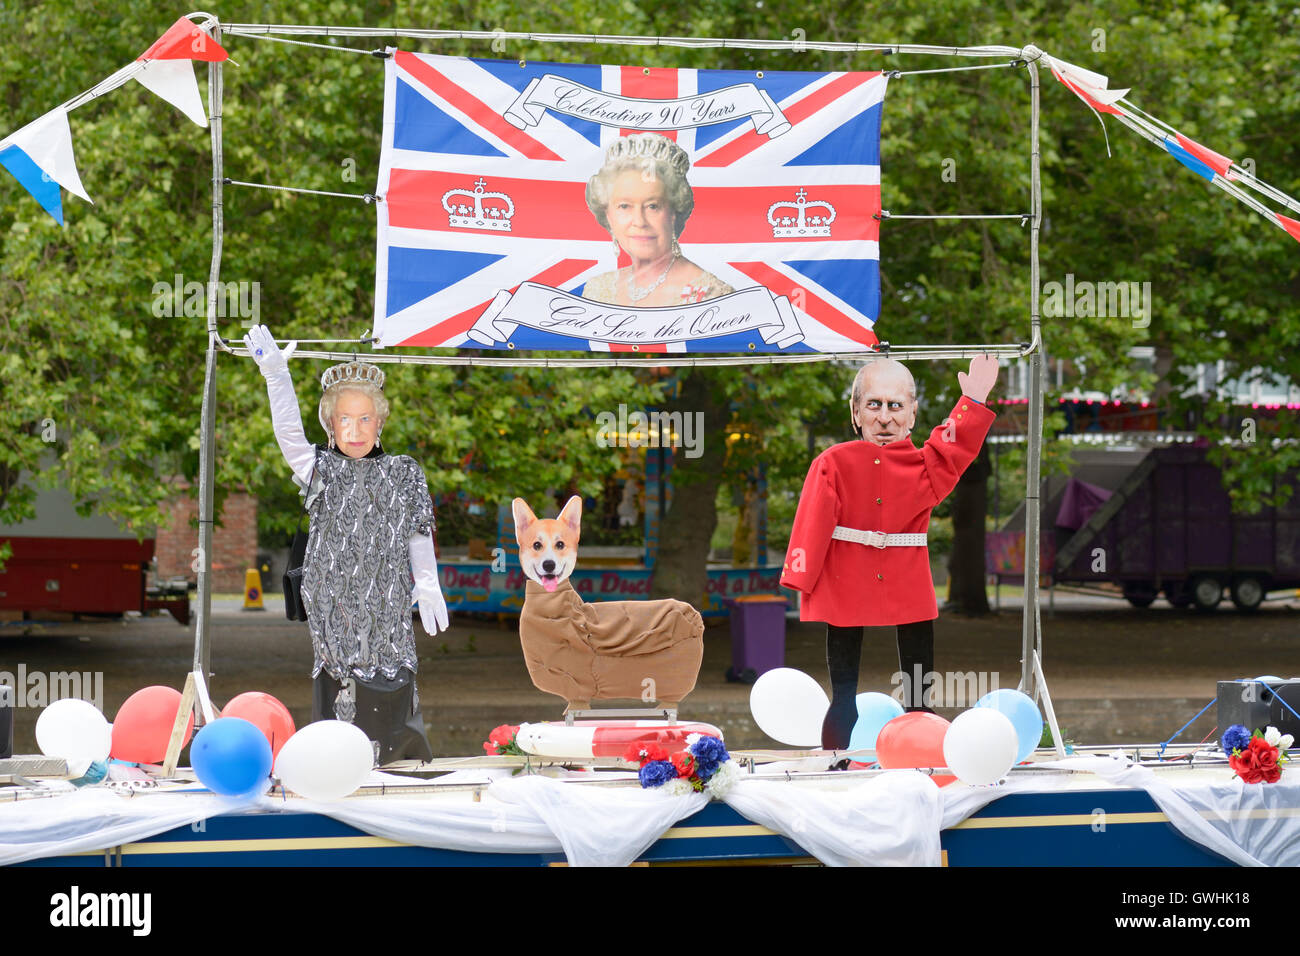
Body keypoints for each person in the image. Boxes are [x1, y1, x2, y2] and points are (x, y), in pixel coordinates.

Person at [244, 325, 449, 763]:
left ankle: (397, 767)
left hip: (387, 604)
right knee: (340, 701)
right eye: (344, 419)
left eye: (364, 419)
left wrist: (427, 581)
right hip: (333, 606)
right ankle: (336, 768)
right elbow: (288, 436)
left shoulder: (403, 471)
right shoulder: (317, 467)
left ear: (379, 422)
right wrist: (277, 377)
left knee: (393, 691)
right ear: (330, 423)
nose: (354, 430)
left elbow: (418, 529)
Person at [780, 356, 999, 749]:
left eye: (895, 406)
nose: (884, 417)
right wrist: (803, 578)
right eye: (874, 405)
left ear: (913, 414)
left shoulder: (925, 465)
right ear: (856, 412)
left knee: (918, 679)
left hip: (905, 571)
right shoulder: (832, 462)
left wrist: (972, 400)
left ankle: (920, 733)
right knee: (844, 689)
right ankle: (838, 750)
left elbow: (954, 446)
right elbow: (811, 521)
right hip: (847, 571)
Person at [583, 132, 733, 307]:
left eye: (652, 206)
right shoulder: (597, 290)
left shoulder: (711, 294)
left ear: (674, 212)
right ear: (608, 215)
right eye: (624, 206)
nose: (639, 221)